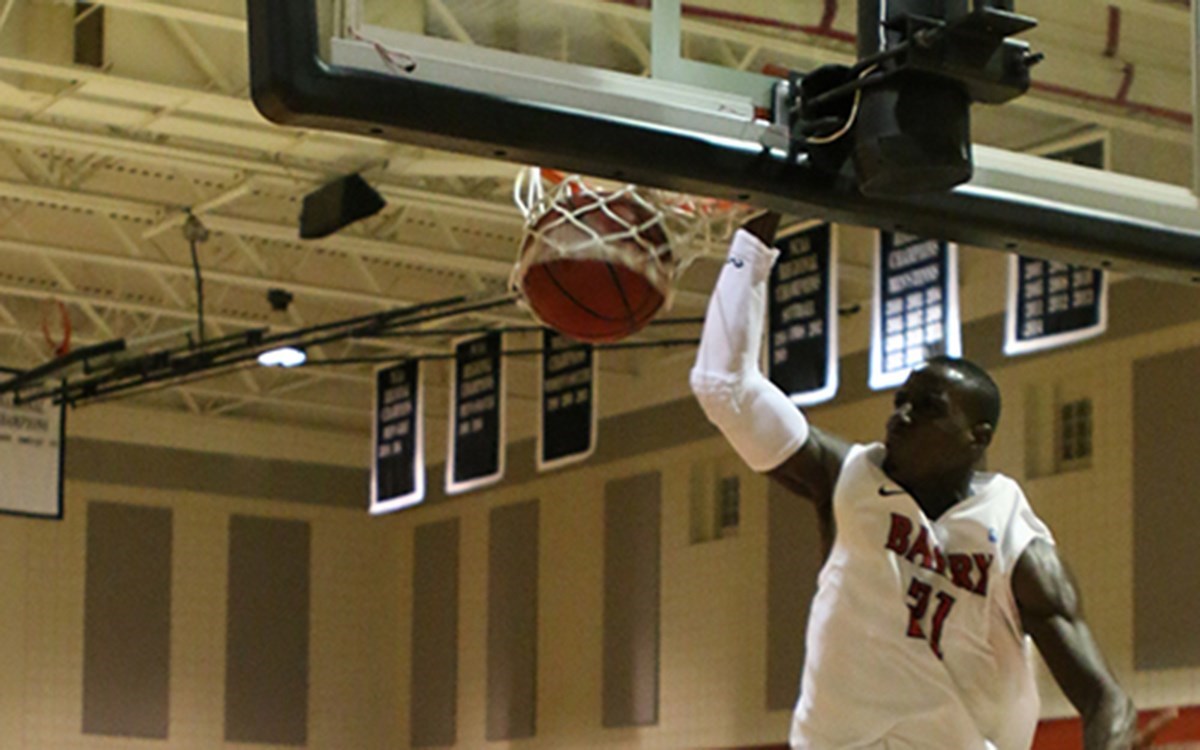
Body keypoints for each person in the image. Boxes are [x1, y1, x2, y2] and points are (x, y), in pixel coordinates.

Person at [690, 212, 1174, 750]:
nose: (901, 416)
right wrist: (757, 220)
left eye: (927, 407)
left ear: (976, 437)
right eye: (901, 401)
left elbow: (1107, 701)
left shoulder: (1019, 549)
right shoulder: (847, 477)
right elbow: (724, 387)